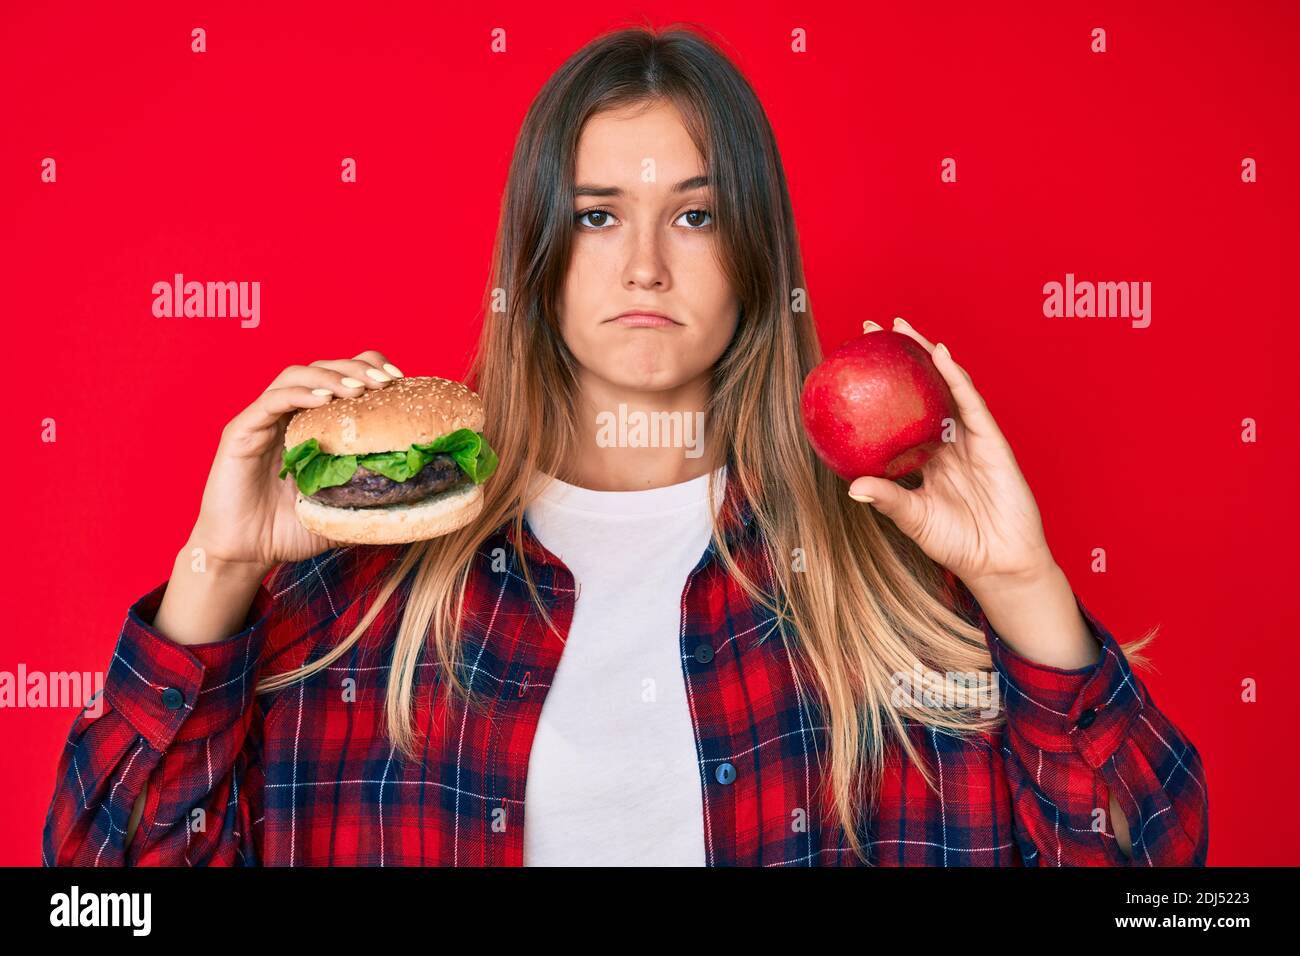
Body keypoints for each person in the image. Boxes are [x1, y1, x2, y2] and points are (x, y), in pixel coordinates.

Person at [42, 24, 1207, 866]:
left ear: (756, 256)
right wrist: (217, 571)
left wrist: (1020, 583)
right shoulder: (357, 587)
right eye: (597, 215)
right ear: (538, 252)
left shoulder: (888, 580)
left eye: (694, 215)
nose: (644, 265)